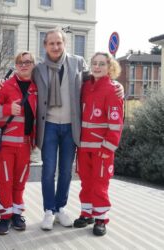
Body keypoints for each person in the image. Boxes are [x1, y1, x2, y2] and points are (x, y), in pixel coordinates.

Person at [33, 27, 124, 230]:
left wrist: (118, 86)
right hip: (48, 126)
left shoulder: (78, 63)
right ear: (45, 45)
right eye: (51, 43)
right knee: (48, 171)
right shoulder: (38, 69)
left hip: (71, 127)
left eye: (59, 42)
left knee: (66, 172)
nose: (56, 46)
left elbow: (96, 81)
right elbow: (21, 82)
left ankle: (60, 208)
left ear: (65, 44)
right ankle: (49, 210)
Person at [0, 51, 37, 235]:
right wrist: (7, 108)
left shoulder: (37, 87)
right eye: (20, 62)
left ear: (33, 65)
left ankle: (16, 214)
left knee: (20, 182)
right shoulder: (5, 86)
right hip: (6, 145)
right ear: (15, 65)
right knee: (5, 182)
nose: (24, 65)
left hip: (26, 145)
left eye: (28, 62)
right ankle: (5, 217)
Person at [73, 52, 123, 236]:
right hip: (84, 146)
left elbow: (116, 123)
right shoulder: (85, 86)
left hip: (102, 148)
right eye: (94, 63)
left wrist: (108, 147)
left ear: (109, 67)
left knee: (100, 184)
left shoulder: (112, 89)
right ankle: (87, 214)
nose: (97, 67)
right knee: (85, 182)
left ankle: (101, 218)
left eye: (101, 64)